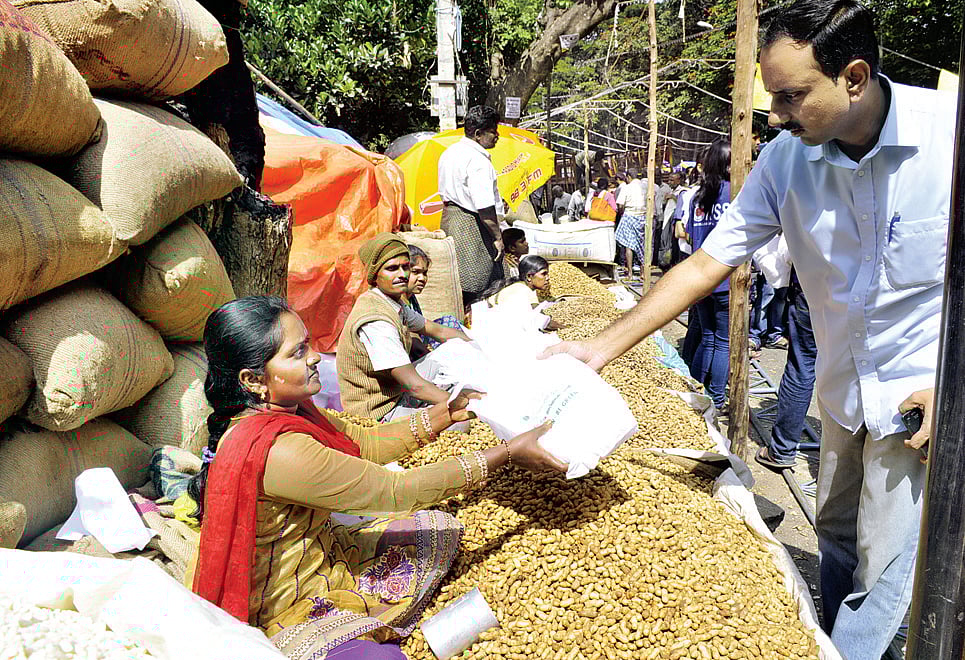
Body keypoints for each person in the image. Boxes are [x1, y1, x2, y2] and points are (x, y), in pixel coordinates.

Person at [542, 2, 952, 656]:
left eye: (791, 97)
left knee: (887, 575)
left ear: (851, 77)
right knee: (837, 535)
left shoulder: (947, 138)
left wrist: (949, 385)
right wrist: (598, 347)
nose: (776, 115)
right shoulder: (787, 164)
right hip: (842, 390)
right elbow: (706, 261)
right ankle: (826, 633)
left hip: (918, 397)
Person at [187, 296, 566, 660]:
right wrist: (505, 454)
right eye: (298, 352)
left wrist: (444, 415)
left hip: (324, 554)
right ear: (253, 380)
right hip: (283, 600)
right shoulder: (278, 450)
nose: (316, 356)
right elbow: (394, 491)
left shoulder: (292, 411)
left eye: (308, 344)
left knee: (439, 529)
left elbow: (361, 443)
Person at [336, 234, 469, 422]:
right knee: (460, 423)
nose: (402, 275)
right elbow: (414, 386)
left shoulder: (393, 303)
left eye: (405, 267)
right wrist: (459, 403)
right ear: (375, 276)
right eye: (392, 269)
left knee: (455, 351)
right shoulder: (376, 321)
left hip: (396, 392)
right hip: (379, 411)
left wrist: (478, 347)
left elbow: (438, 331)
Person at [438, 105, 505, 306]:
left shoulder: (450, 153)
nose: (497, 136)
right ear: (478, 134)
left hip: (451, 219)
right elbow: (485, 207)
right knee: (478, 285)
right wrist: (497, 237)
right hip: (471, 224)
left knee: (457, 281)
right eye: (493, 131)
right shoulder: (478, 161)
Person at [686, 139, 732, 412]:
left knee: (708, 337)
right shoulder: (733, 194)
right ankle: (716, 398)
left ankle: (695, 386)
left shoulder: (697, 197)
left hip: (699, 278)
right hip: (725, 280)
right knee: (722, 342)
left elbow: (691, 234)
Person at [757, 274, 817, 469]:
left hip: (815, 287)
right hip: (864, 292)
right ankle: (848, 462)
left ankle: (782, 450)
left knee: (801, 366)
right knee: (851, 371)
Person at [403, 244, 464, 356]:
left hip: (420, 343)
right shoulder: (399, 302)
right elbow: (412, 337)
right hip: (410, 353)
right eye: (415, 272)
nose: (422, 278)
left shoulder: (411, 298)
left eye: (424, 273)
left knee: (448, 322)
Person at [479, 255, 563, 331]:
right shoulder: (524, 291)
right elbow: (541, 320)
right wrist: (566, 327)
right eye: (544, 274)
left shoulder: (520, 286)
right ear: (529, 277)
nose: (547, 278)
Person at [614, 170, 647, 275]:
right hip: (643, 217)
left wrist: (622, 212)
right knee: (642, 245)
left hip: (629, 215)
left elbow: (620, 205)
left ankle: (630, 273)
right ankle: (642, 272)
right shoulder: (646, 187)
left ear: (628, 177)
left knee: (629, 246)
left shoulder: (626, 188)